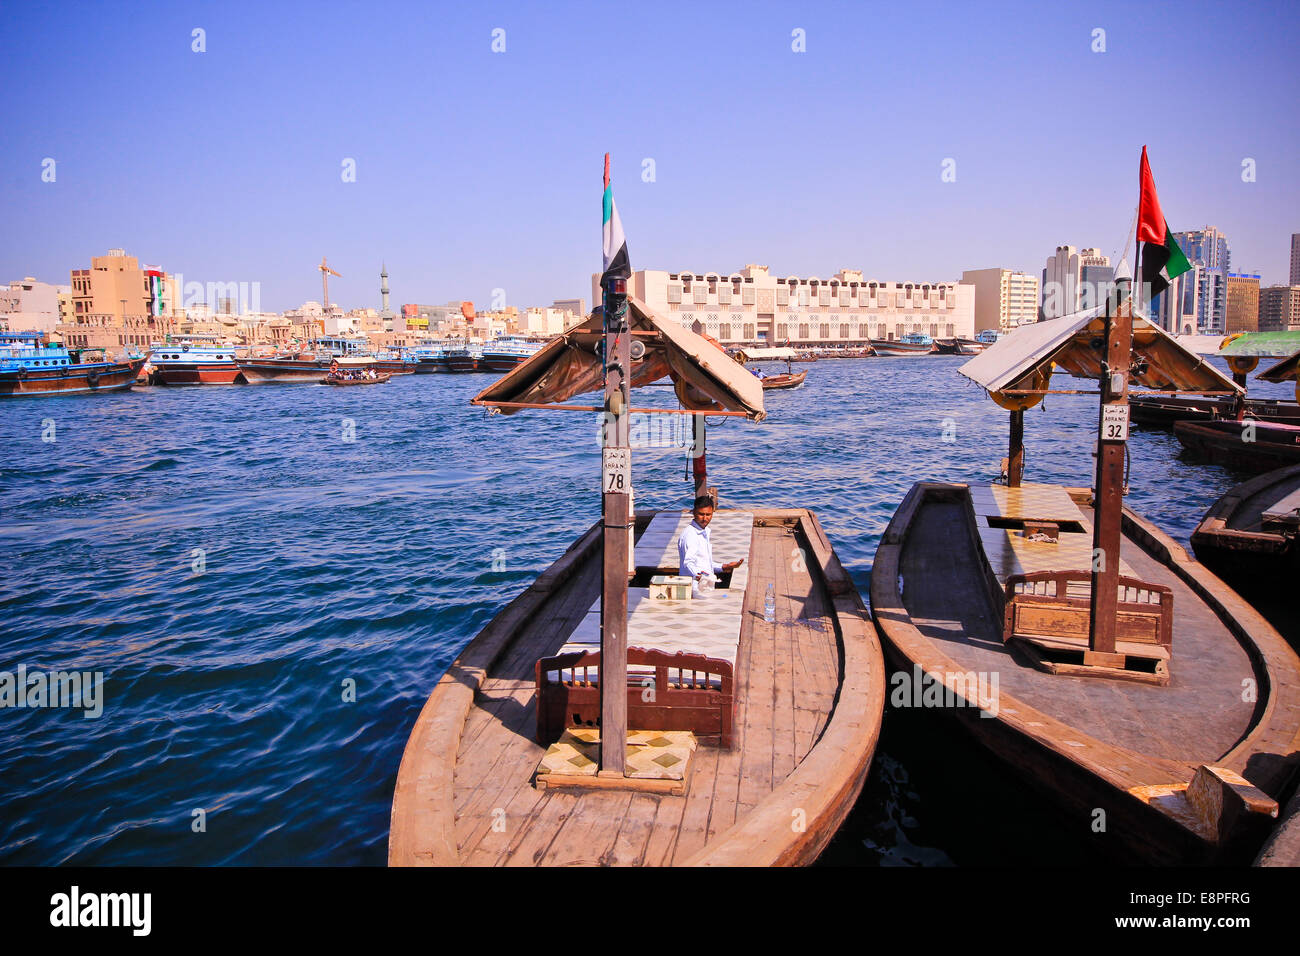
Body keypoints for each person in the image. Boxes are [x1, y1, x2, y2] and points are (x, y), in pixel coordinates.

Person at [678, 495, 743, 594]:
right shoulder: (690, 535)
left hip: (705, 586)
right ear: (694, 512)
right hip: (694, 588)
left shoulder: (703, 531)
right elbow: (688, 563)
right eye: (701, 514)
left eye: (708, 515)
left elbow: (704, 563)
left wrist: (725, 566)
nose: (705, 518)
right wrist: (700, 576)